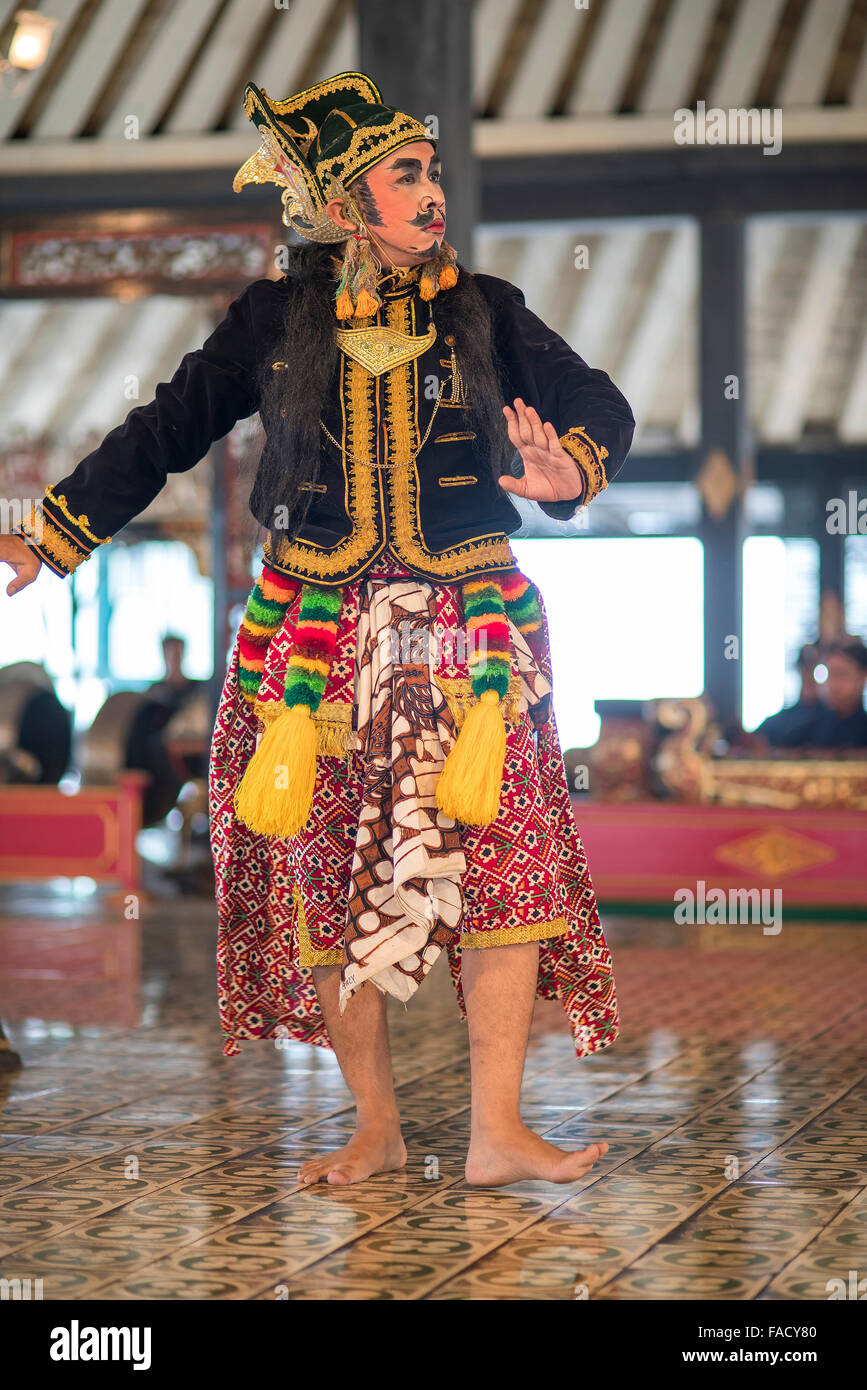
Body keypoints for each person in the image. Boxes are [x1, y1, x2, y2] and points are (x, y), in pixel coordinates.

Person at [0, 72, 635, 1188]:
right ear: (346, 203)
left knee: (506, 868)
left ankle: (496, 1134)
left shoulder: (487, 308)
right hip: (313, 642)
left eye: (433, 172)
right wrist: (51, 535)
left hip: (470, 633)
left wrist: (566, 468)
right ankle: (378, 1128)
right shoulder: (272, 319)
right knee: (323, 876)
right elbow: (164, 433)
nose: (433, 192)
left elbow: (601, 406)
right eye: (407, 176)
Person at [754, 642, 821, 748]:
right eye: (805, 669)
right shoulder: (782, 721)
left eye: (814, 669)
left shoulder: (835, 718)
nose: (810, 676)